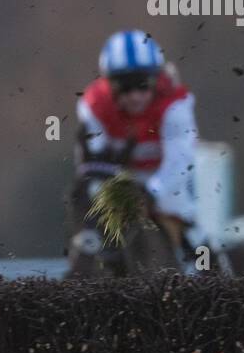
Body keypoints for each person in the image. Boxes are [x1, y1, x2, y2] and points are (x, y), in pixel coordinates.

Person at [71, 29, 198, 258]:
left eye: (142, 84)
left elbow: (180, 163)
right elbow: (93, 165)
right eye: (125, 86)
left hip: (164, 178)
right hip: (121, 179)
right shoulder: (93, 106)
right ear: (110, 84)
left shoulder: (176, 105)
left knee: (193, 233)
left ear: (155, 80)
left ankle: (207, 269)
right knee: (90, 218)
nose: (135, 96)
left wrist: (151, 193)